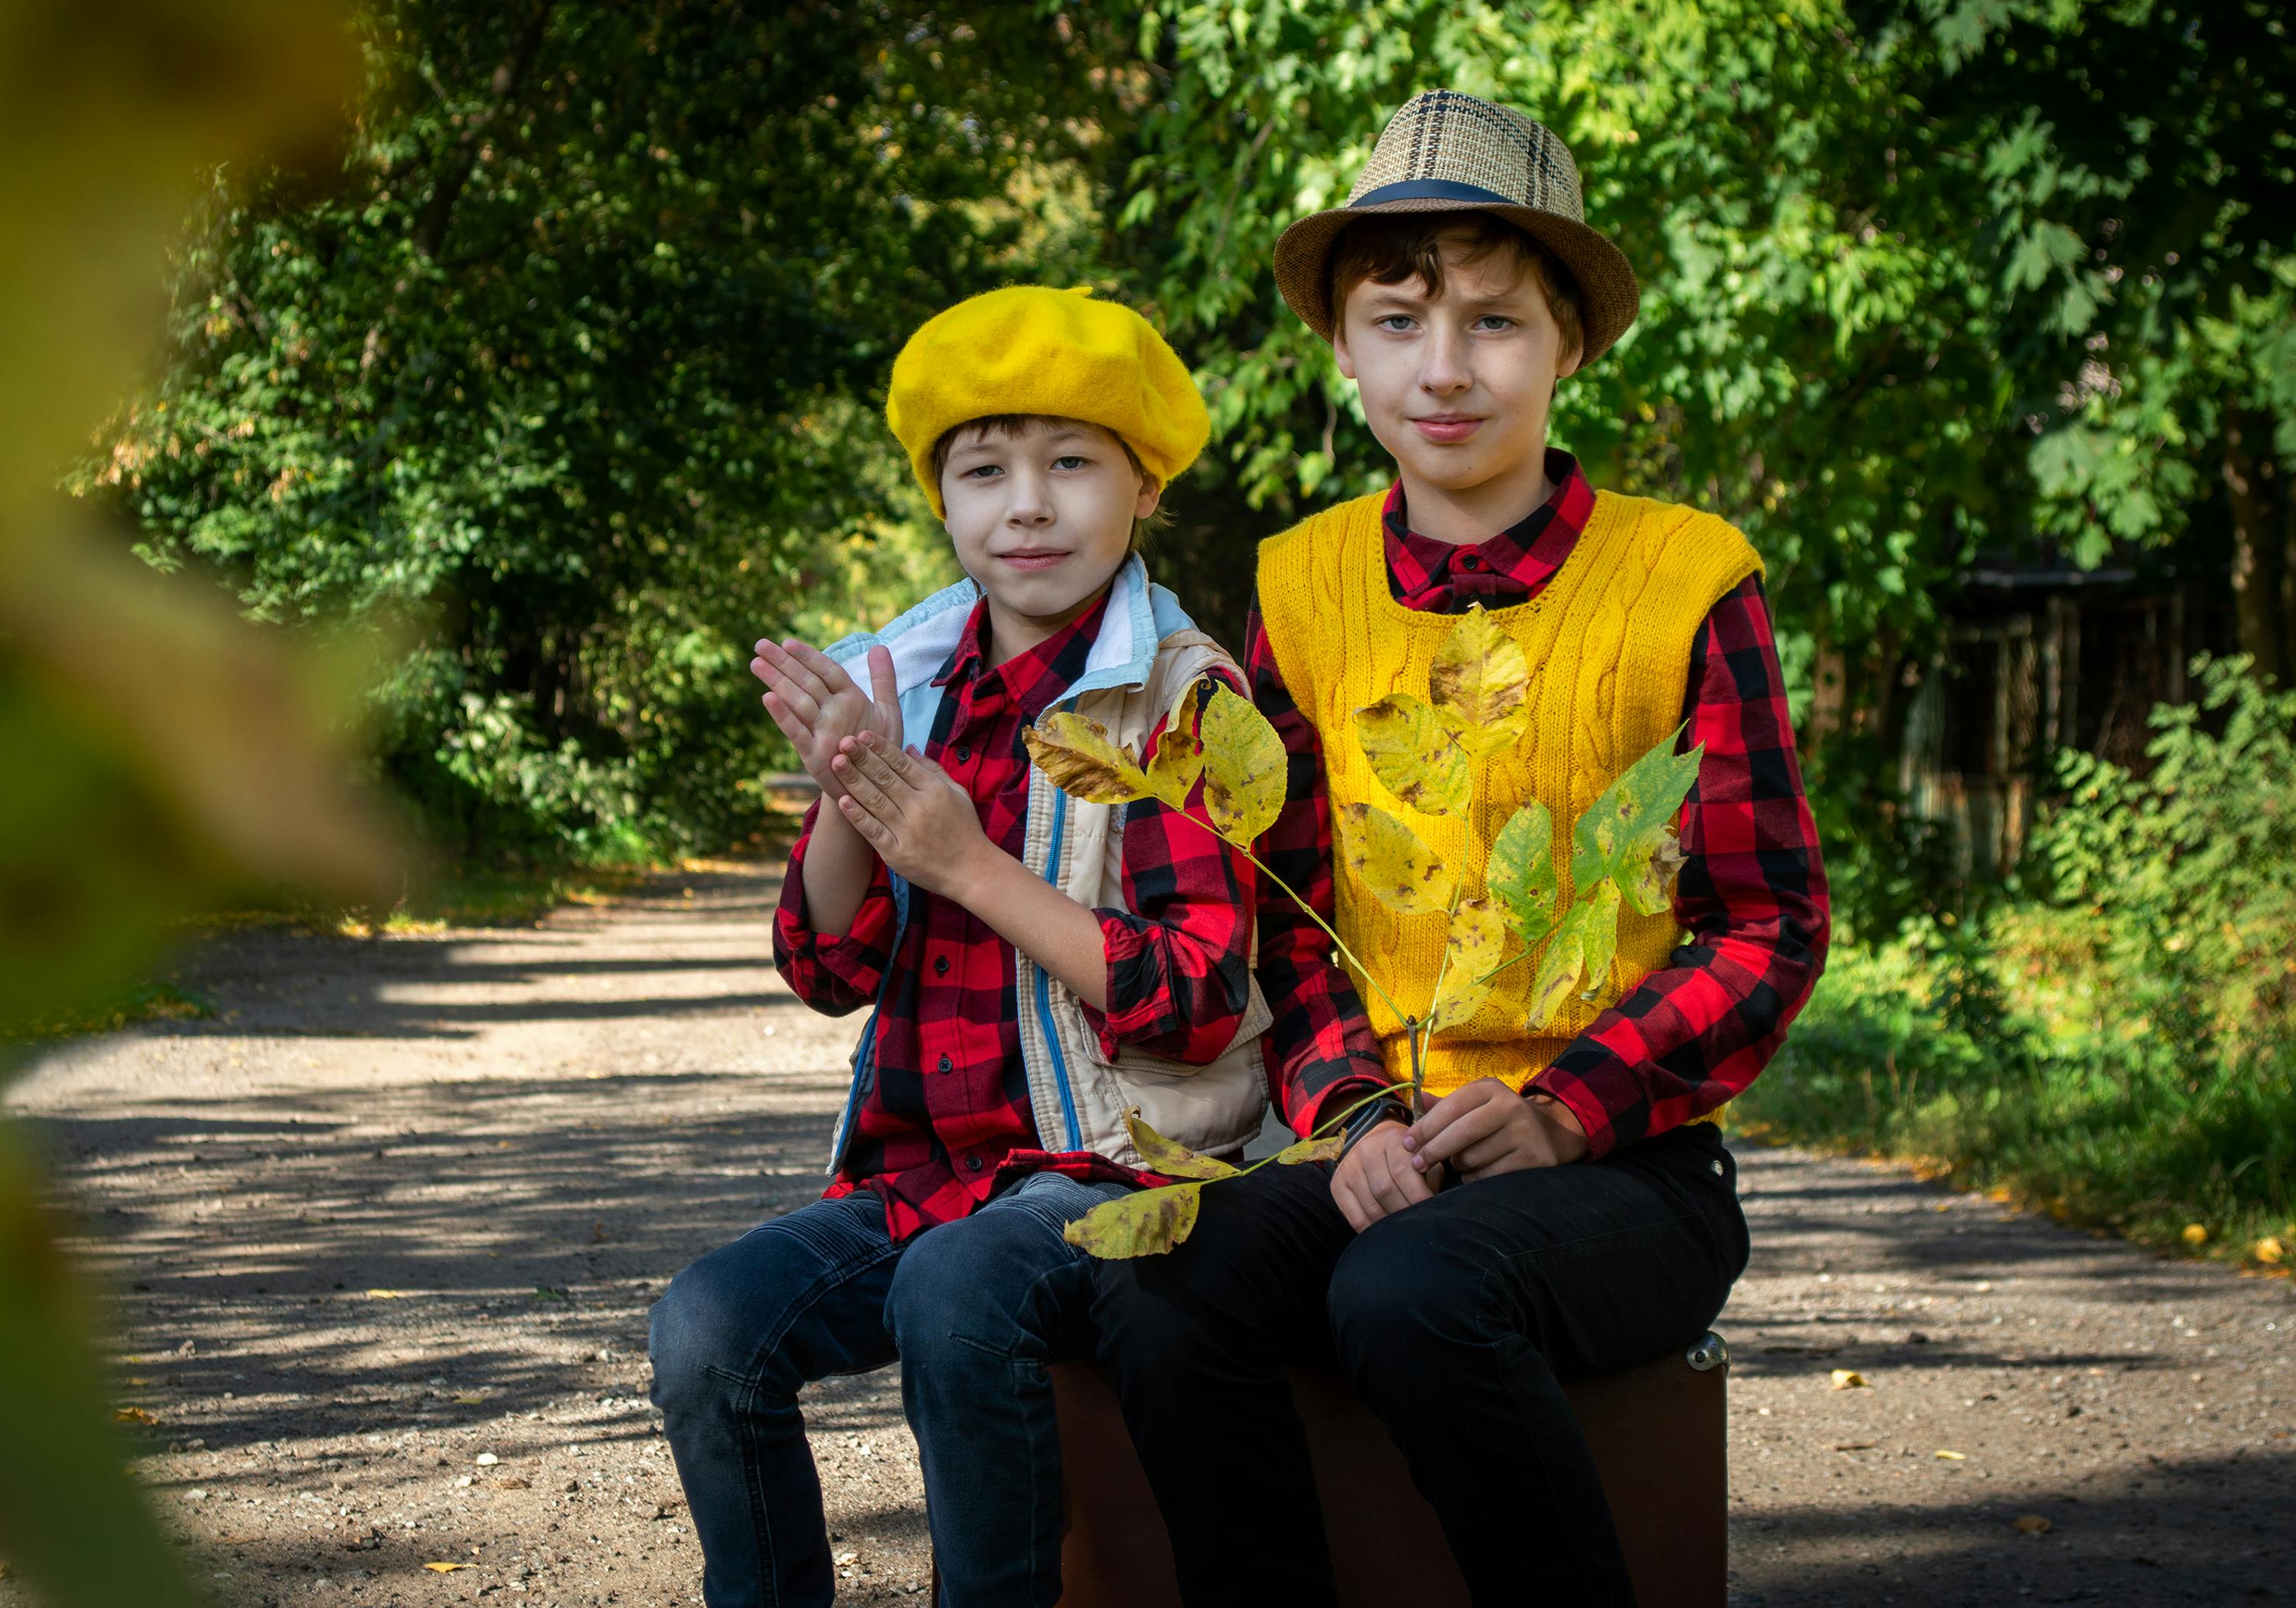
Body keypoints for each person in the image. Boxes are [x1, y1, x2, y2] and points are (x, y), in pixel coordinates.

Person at [1089, 90, 1832, 1606]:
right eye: (1399, 321)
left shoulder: (1687, 579)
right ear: (1343, 349)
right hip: (1379, 1145)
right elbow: (1285, 913)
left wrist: (1566, 1109)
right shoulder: (1299, 588)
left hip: (1628, 1171)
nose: (1444, 366)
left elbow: (1768, 925)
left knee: (1410, 1287)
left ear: (1570, 346)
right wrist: (1356, 1113)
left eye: (1495, 321)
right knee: (1158, 1280)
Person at [647, 284, 1277, 1608]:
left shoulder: (1182, 696)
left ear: (1146, 487)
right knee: (706, 1326)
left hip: (1113, 1171)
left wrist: (970, 865)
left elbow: (1202, 995)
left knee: (954, 1289)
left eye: (1072, 464)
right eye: (984, 471)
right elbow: (827, 971)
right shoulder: (913, 682)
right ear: (941, 500)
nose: (1026, 507)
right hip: (924, 1179)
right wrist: (849, 789)